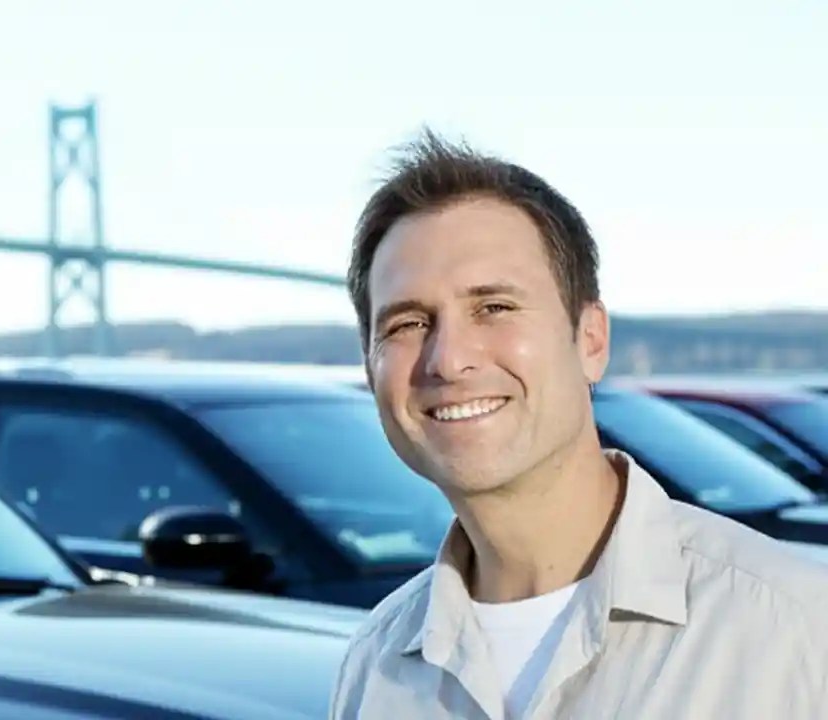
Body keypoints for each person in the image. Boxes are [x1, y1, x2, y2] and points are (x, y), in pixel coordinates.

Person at [329, 129, 828, 719]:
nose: (448, 359)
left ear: (591, 340)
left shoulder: (792, 632)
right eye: (408, 323)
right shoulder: (376, 666)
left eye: (494, 308)